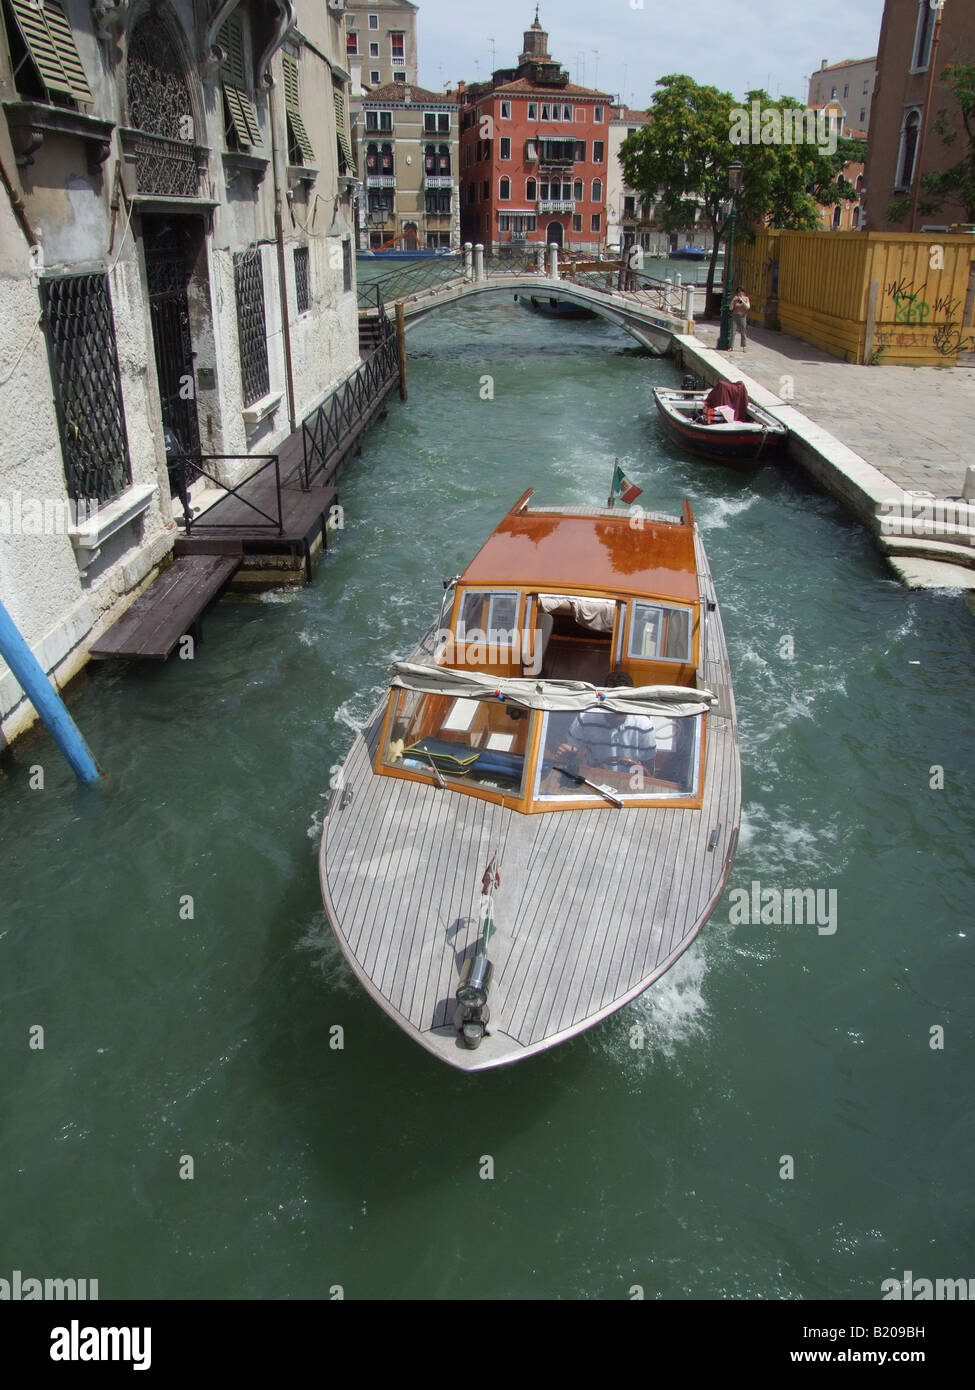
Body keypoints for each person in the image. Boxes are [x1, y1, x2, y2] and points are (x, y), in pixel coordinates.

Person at [730, 286, 751, 351]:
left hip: (743, 316)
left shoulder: (746, 298)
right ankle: (731, 346)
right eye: (738, 292)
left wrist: (742, 301)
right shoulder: (735, 299)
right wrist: (733, 301)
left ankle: (744, 347)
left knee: (743, 331)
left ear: (743, 292)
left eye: (741, 291)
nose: (740, 293)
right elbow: (730, 308)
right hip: (735, 316)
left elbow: (748, 307)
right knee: (733, 331)